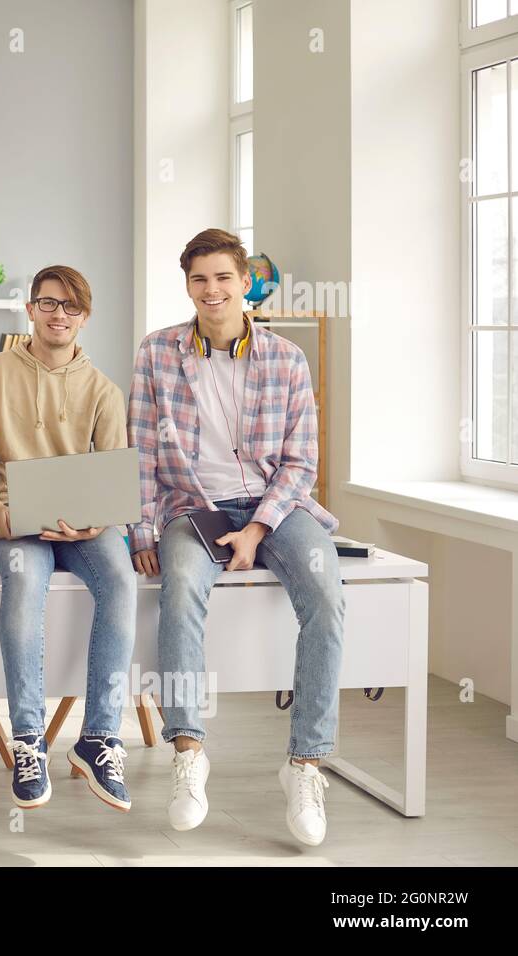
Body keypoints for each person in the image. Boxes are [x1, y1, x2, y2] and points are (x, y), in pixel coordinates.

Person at [128, 227, 344, 846]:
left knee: (327, 596)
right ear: (188, 286)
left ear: (245, 282)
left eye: (224, 277)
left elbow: (301, 462)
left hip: (277, 506)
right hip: (190, 506)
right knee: (181, 592)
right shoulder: (157, 352)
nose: (212, 290)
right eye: (199, 280)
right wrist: (144, 526)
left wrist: (256, 528)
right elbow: (142, 451)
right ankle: (189, 751)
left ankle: (305, 763)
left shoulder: (285, 358)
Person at [0, 264, 136, 811]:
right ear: (30, 308)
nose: (59, 314)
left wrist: (97, 522)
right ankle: (29, 740)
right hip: (11, 517)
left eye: (71, 306)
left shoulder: (104, 391)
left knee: (121, 581)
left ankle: (100, 737)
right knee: (24, 580)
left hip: (82, 525)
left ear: (85, 317)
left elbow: (110, 477)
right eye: (49, 303)